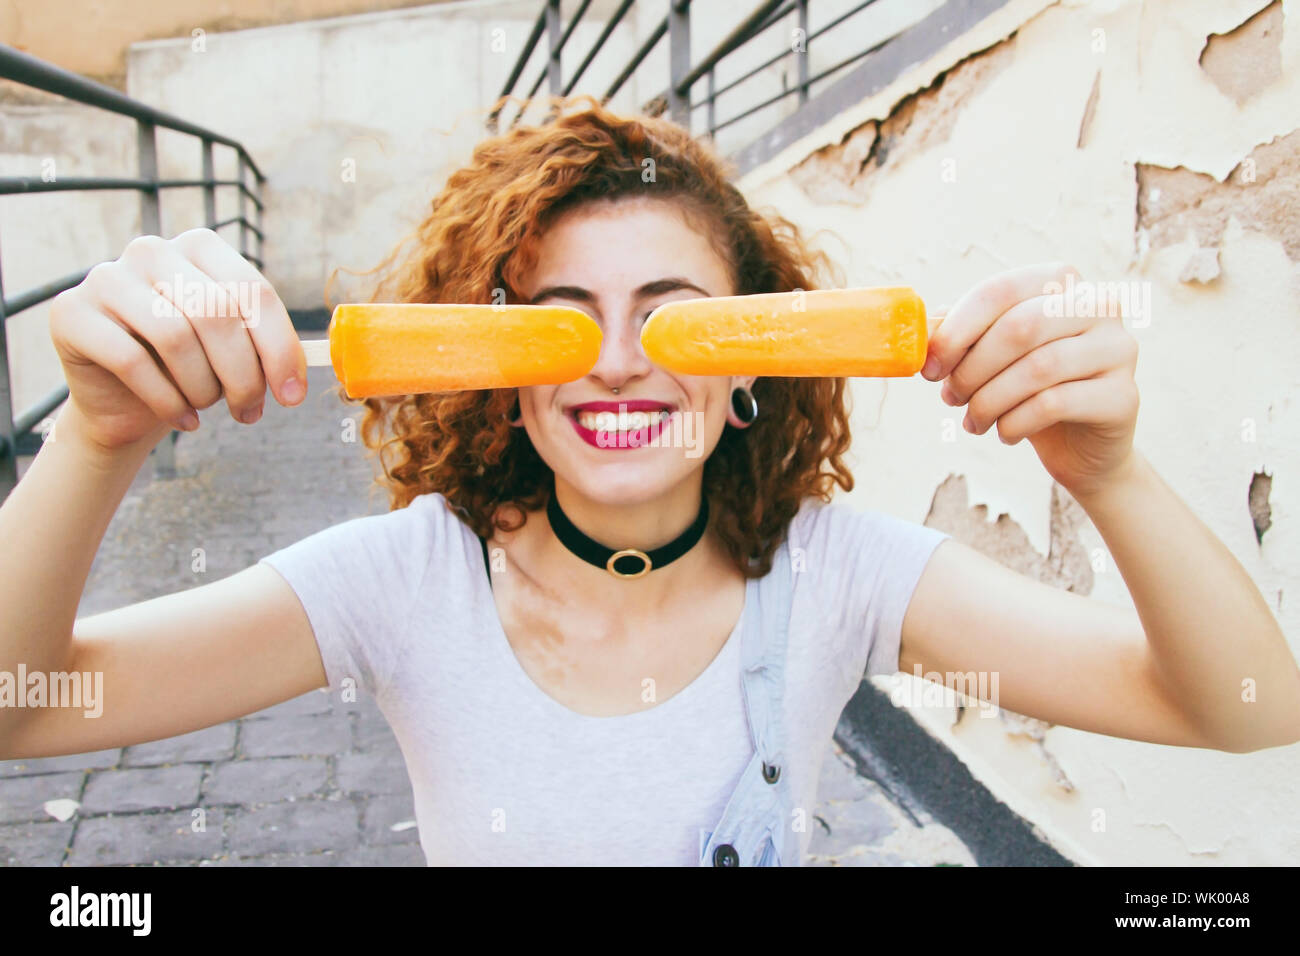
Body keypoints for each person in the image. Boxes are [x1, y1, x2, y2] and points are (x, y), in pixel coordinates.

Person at [2, 98, 1296, 867]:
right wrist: (97, 439)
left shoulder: (837, 572)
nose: (617, 366)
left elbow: (1244, 707)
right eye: (560, 320)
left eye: (674, 319)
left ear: (754, 366)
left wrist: (1108, 473)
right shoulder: (403, 583)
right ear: (501, 369)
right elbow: (18, 711)